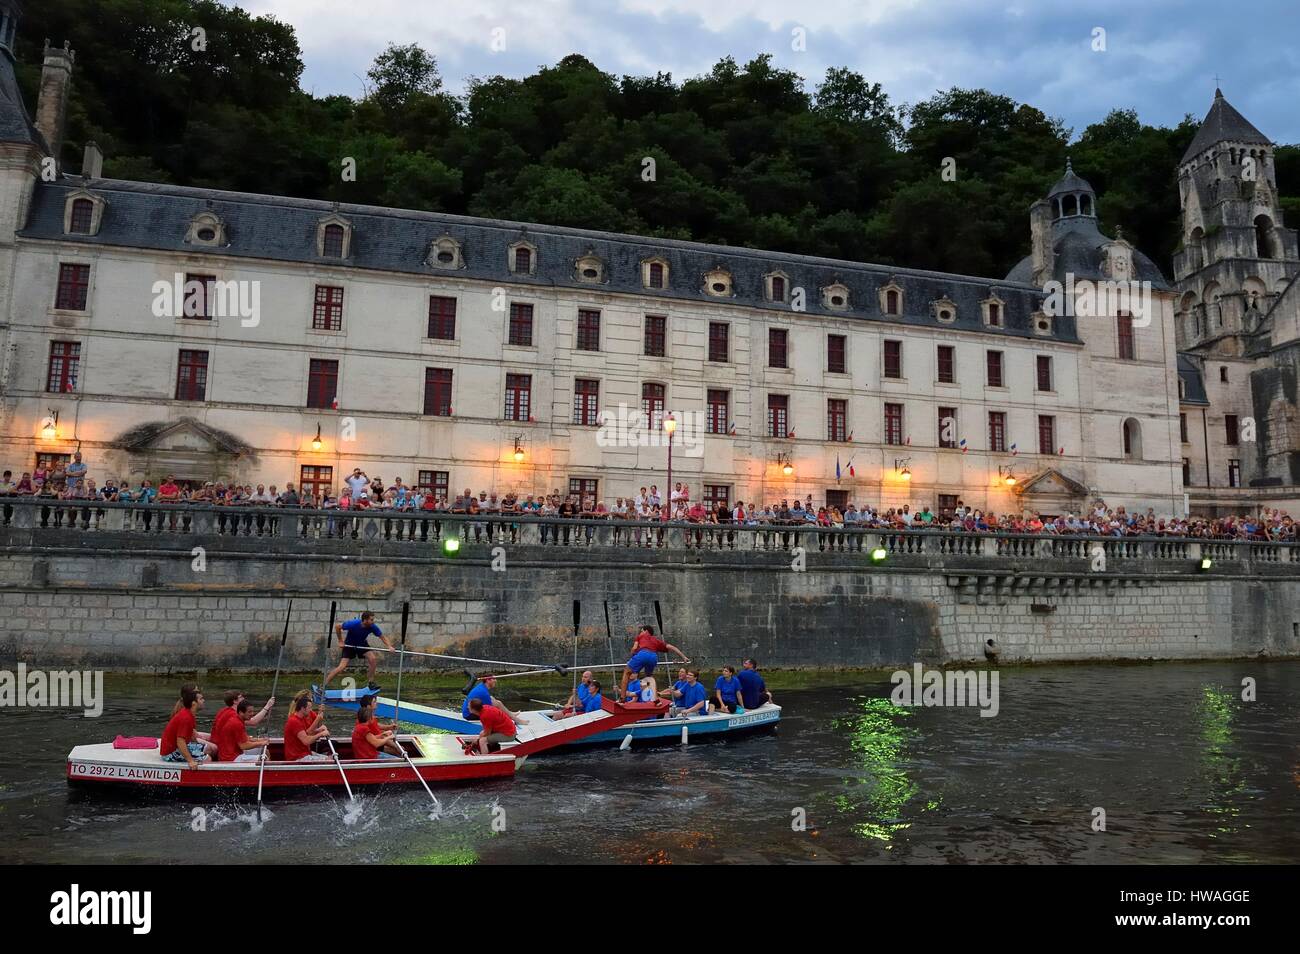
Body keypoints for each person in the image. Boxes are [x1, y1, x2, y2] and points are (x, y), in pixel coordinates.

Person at [323, 611, 394, 690]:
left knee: (373, 659)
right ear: (365, 620)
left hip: (362, 644)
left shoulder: (372, 626)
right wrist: (340, 641)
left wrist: (389, 646)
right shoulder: (353, 624)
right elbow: (337, 627)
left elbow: (382, 637)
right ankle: (324, 685)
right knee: (341, 667)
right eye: (371, 620)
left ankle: (371, 683)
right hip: (349, 645)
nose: (373, 621)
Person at [620, 624, 689, 699]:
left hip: (642, 654)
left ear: (645, 631)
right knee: (649, 678)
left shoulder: (641, 636)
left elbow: (634, 648)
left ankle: (622, 699)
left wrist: (632, 656)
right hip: (653, 657)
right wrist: (684, 657)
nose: (640, 632)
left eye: (641, 631)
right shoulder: (656, 640)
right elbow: (672, 647)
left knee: (626, 673)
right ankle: (656, 699)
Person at [161, 683, 214, 768]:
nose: (204, 700)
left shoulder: (189, 714)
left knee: (211, 749)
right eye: (201, 699)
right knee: (208, 759)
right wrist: (190, 761)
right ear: (193, 703)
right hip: (171, 753)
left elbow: (190, 736)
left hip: (179, 746)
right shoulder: (186, 718)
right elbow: (180, 741)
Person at [213, 698, 271, 762]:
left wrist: (259, 740)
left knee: (265, 751)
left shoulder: (239, 720)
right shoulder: (237, 723)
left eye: (252, 711)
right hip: (231, 758)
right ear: (241, 712)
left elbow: (245, 738)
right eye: (249, 712)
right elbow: (244, 746)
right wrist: (261, 743)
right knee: (264, 759)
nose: (252, 714)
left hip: (237, 752)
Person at [283, 690, 331, 761]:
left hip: (305, 753)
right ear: (302, 708)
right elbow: (306, 741)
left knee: (330, 757)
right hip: (297, 758)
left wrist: (319, 730)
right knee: (328, 761)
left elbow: (307, 733)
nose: (311, 710)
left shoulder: (301, 718)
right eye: (309, 708)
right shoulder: (294, 721)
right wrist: (320, 734)